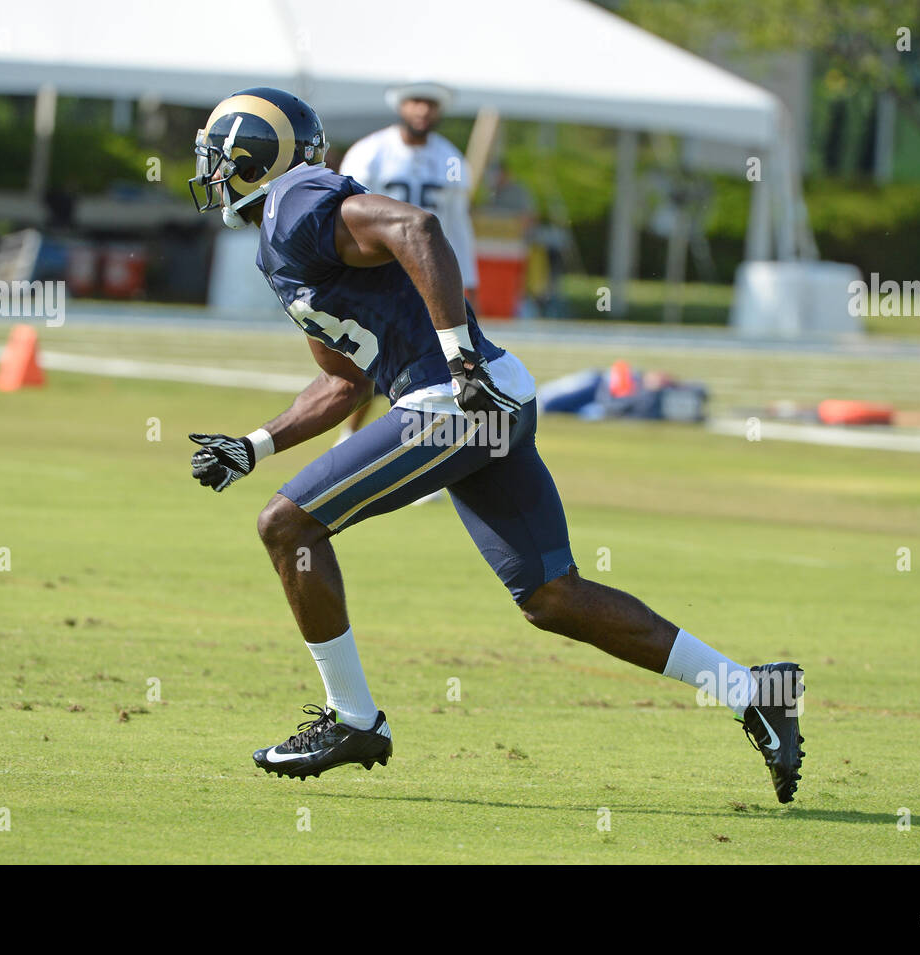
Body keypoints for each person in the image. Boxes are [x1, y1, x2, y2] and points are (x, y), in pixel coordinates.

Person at [185, 88, 805, 803]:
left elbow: (415, 226)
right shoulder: (282, 240)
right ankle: (754, 690)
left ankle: (353, 718)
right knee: (551, 595)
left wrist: (458, 361)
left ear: (252, 153)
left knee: (286, 524)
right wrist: (254, 445)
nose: (208, 168)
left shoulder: (296, 201)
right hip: (486, 395)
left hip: (456, 396)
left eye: (215, 152)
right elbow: (345, 383)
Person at [334, 81, 479, 447]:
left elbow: (458, 222)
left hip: (431, 274)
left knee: (444, 363)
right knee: (366, 359)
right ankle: (349, 437)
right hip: (379, 271)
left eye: (430, 104)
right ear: (402, 106)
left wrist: (468, 276)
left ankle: (431, 446)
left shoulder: (451, 160)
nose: (423, 111)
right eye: (416, 102)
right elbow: (346, 216)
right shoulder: (371, 153)